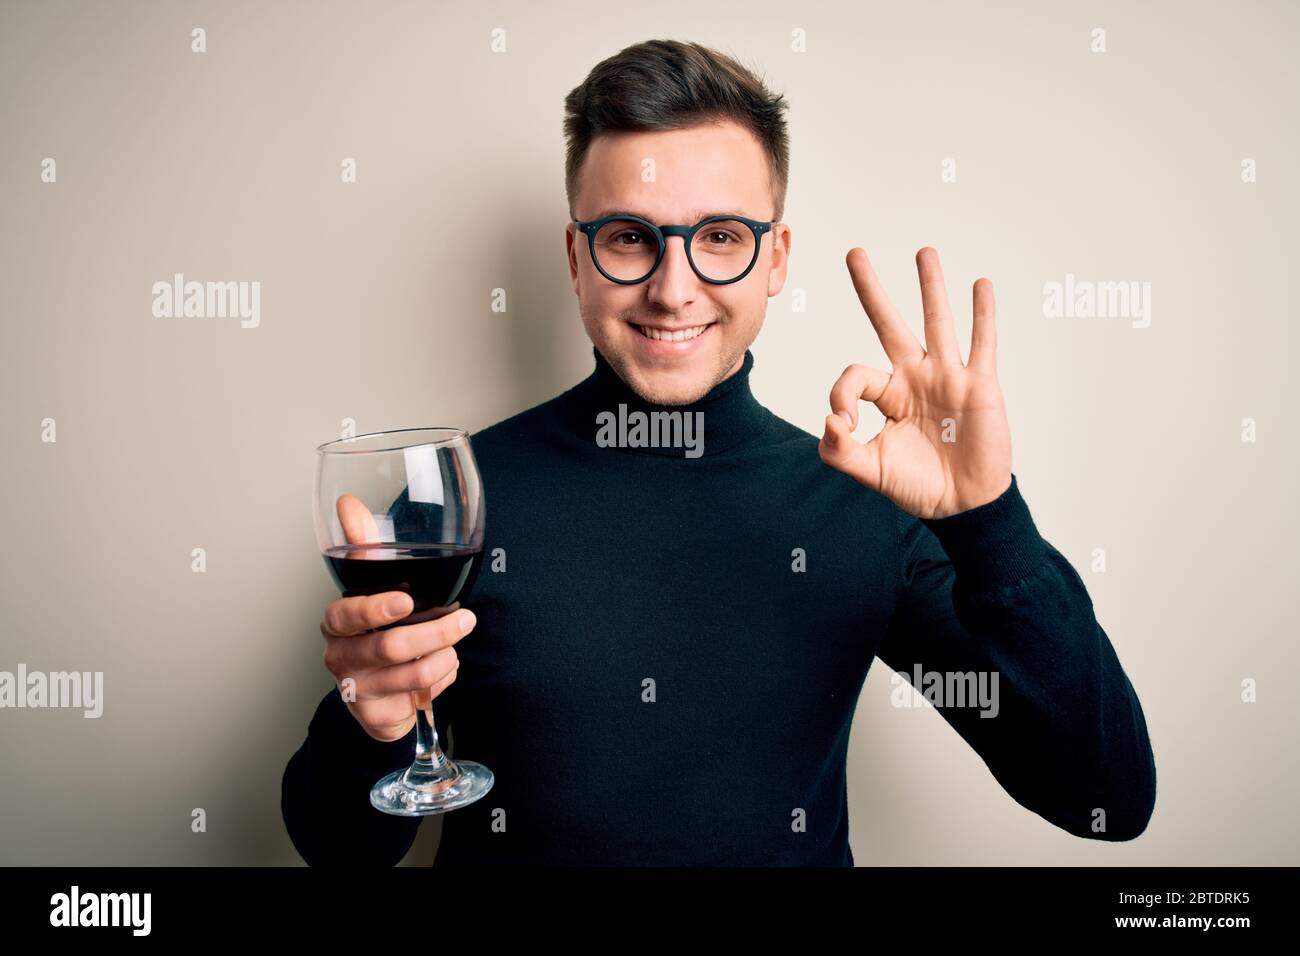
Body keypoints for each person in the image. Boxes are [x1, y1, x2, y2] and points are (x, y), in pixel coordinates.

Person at [282, 38, 1156, 866]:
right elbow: (335, 847)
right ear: (575, 258)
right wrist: (372, 723)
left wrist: (987, 520)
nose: (672, 289)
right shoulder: (460, 504)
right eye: (629, 236)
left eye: (721, 239)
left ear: (775, 259)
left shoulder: (864, 501)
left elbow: (1106, 798)